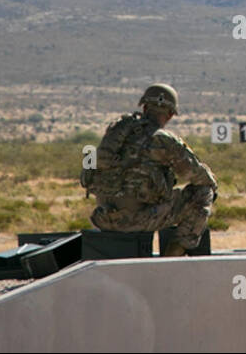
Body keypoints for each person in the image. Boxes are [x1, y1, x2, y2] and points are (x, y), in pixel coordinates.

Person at [80, 83, 218, 257]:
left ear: (144, 107)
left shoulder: (116, 134)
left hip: (104, 218)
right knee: (204, 192)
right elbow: (199, 177)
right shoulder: (163, 140)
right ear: (169, 114)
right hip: (139, 220)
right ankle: (172, 255)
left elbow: (87, 172)